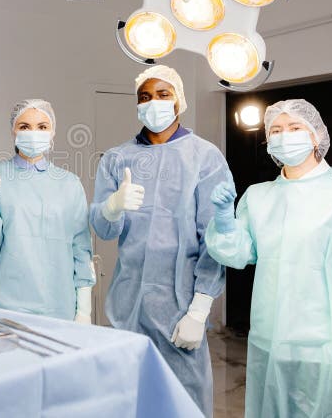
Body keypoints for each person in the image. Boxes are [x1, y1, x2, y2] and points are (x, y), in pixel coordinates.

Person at [206, 99, 332, 417]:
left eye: (295, 128)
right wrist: (225, 220)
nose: (285, 136)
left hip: (325, 349)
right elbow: (238, 254)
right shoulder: (258, 196)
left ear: (314, 136)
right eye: (277, 130)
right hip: (268, 345)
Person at [89, 65, 231, 416]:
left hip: (180, 304)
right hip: (127, 302)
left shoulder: (204, 156)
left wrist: (199, 310)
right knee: (129, 398)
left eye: (163, 94)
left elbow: (214, 238)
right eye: (145, 97)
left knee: (183, 403)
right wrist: (111, 207)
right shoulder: (117, 159)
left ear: (179, 101)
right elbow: (104, 231)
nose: (153, 102)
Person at [0, 99, 96, 322]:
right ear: (13, 130)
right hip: (3, 304)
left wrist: (84, 309)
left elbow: (81, 248)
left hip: (58, 305)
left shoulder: (69, 184)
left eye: (42, 127)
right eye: (24, 126)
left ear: (53, 132)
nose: (33, 133)